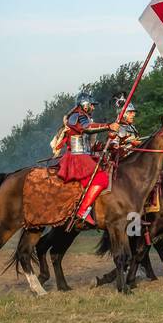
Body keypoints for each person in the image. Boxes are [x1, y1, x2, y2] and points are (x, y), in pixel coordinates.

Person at [57, 91, 120, 224]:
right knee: (102, 179)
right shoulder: (77, 116)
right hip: (77, 157)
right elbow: (87, 128)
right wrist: (108, 126)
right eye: (92, 105)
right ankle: (83, 210)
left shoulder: (83, 116)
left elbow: (90, 145)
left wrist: (108, 146)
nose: (94, 107)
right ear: (85, 105)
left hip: (84, 155)